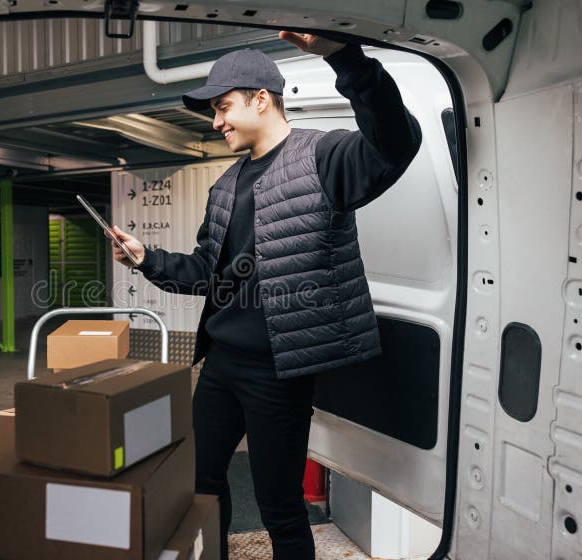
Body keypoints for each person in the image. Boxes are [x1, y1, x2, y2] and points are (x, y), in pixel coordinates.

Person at [109, 31, 422, 559]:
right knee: (200, 484)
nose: (216, 121)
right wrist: (148, 259)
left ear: (261, 98)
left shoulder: (324, 155)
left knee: (279, 503)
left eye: (223, 107)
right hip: (219, 364)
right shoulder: (226, 184)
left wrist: (344, 58)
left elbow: (396, 143)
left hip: (279, 371)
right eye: (214, 112)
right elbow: (208, 270)